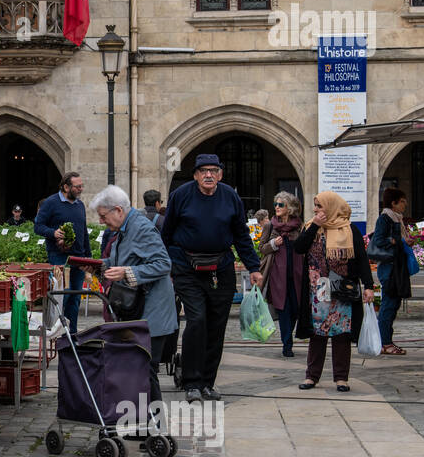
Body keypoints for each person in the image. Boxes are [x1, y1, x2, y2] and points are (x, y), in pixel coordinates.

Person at [161, 154, 263, 403]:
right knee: (197, 321)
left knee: (217, 326)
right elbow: (167, 233)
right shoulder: (181, 195)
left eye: (213, 170)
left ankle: (208, 382)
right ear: (195, 174)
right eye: (203, 171)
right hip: (187, 267)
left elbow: (241, 234)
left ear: (220, 174)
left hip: (221, 269)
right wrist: (167, 265)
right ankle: (192, 382)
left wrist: (254, 266)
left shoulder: (230, 197)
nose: (208, 175)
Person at [92, 185, 176, 440]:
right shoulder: (124, 229)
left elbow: (163, 264)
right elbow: (127, 261)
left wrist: (129, 273)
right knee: (137, 370)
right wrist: (101, 266)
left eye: (104, 216)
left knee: (146, 370)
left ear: (118, 210)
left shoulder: (140, 227)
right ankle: (143, 427)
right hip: (140, 312)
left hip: (153, 314)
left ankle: (157, 431)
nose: (102, 221)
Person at [293, 191, 375, 392]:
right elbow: (299, 247)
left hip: (342, 291)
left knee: (342, 334)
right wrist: (315, 226)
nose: (316, 210)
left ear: (331, 207)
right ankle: (312, 376)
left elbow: (362, 260)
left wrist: (369, 286)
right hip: (317, 291)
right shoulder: (312, 227)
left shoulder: (349, 229)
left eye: (319, 206)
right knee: (317, 334)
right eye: (315, 206)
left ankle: (341, 378)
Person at [34, 172, 90, 333]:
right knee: (60, 296)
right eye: (77, 186)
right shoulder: (51, 203)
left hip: (78, 257)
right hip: (58, 256)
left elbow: (83, 232)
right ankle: (57, 330)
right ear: (66, 187)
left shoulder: (79, 205)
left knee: (75, 296)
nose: (80, 189)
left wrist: (88, 257)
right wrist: (53, 233)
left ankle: (71, 333)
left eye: (81, 186)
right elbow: (38, 227)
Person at [259, 191, 305, 358]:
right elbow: (261, 248)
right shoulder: (270, 226)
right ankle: (287, 344)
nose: (277, 207)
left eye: (281, 205)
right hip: (278, 275)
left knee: (295, 309)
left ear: (290, 208)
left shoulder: (299, 226)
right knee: (283, 309)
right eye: (276, 204)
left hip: (297, 274)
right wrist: (273, 244)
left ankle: (288, 337)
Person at [372, 187, 412, 355]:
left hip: (397, 266)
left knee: (393, 304)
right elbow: (379, 240)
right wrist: (398, 240)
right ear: (393, 203)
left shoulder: (397, 219)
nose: (405, 204)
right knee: (388, 305)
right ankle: (384, 342)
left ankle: (387, 341)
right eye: (402, 201)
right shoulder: (385, 218)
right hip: (389, 268)